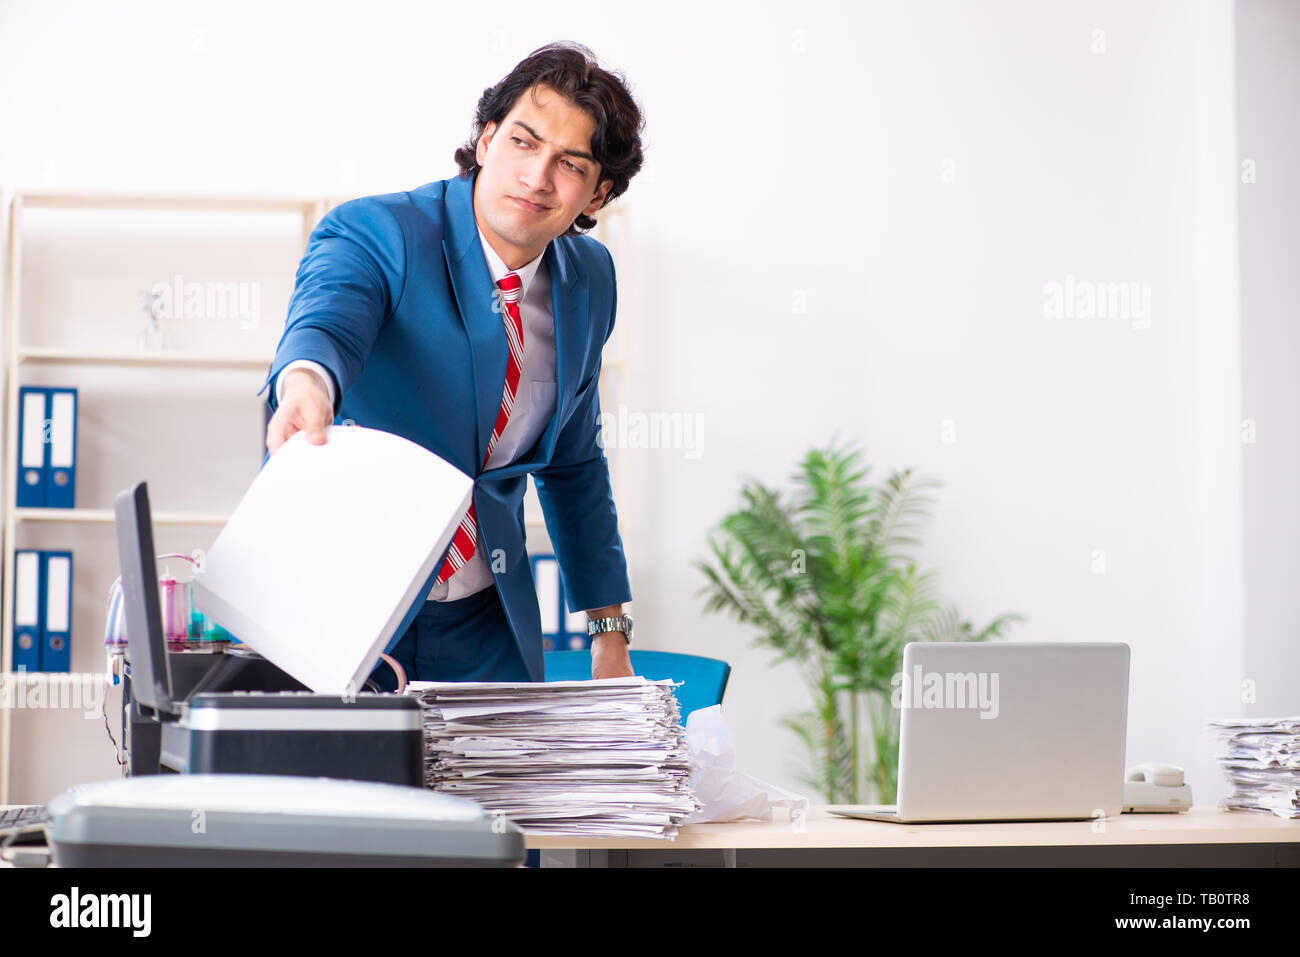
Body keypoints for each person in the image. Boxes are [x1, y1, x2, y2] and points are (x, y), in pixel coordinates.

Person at [258, 42, 644, 687]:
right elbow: (328, 316)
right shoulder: (380, 231)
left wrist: (610, 635)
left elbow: (574, 464)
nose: (536, 177)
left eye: (569, 164)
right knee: (341, 786)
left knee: (498, 790)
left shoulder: (589, 278)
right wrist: (306, 380)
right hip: (348, 604)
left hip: (485, 616)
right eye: (523, 142)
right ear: (486, 139)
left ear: (596, 195)